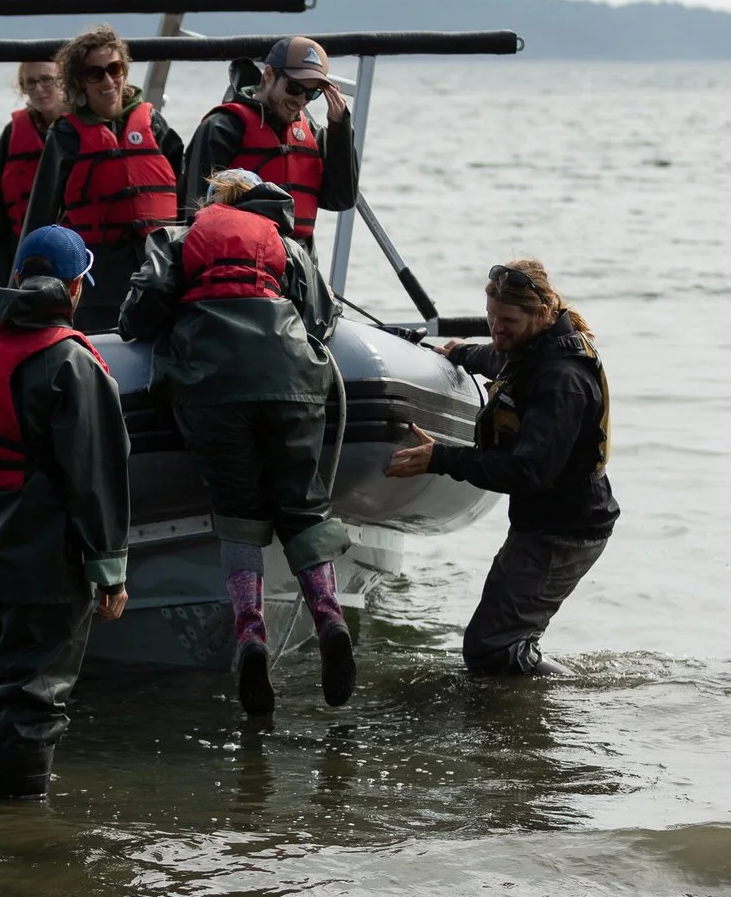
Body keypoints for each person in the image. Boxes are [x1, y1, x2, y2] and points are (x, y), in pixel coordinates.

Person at [119, 168, 351, 715]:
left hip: (211, 382)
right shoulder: (286, 244)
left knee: (238, 511)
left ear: (213, 200)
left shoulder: (176, 238)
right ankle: (329, 617)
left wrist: (141, 324)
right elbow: (319, 317)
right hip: (291, 378)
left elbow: (144, 308)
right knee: (304, 506)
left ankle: (250, 633)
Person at [0, 224, 132, 798]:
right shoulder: (72, 363)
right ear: (75, 289)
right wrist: (108, 566)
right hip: (40, 566)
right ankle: (18, 846)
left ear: (15, 276)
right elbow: (95, 475)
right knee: (31, 700)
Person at [383, 258, 616, 677]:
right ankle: (522, 714)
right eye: (491, 317)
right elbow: (501, 360)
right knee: (494, 645)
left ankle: (576, 698)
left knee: (494, 648)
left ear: (541, 314)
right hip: (546, 523)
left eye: (506, 320)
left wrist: (441, 458)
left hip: (564, 532)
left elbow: (527, 471)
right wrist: (460, 353)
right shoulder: (537, 349)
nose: (496, 327)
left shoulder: (562, 380)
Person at [20, 25, 183, 333]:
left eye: (115, 69)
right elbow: (40, 217)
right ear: (80, 81)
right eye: (95, 74)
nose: (108, 80)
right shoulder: (66, 136)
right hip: (99, 289)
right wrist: (25, 293)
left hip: (160, 277)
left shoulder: (155, 125)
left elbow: (187, 201)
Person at [177, 35, 357, 247]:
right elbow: (194, 213)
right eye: (294, 88)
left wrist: (340, 128)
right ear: (269, 74)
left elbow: (341, 199)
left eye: (312, 93)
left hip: (298, 268)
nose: (300, 100)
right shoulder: (222, 128)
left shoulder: (316, 135)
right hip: (237, 262)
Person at [0, 58, 65, 290]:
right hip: (27, 256)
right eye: (30, 82)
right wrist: (0, 278)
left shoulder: (85, 128)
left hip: (78, 253)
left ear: (64, 81)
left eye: (47, 79)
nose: (38, 89)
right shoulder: (12, 135)